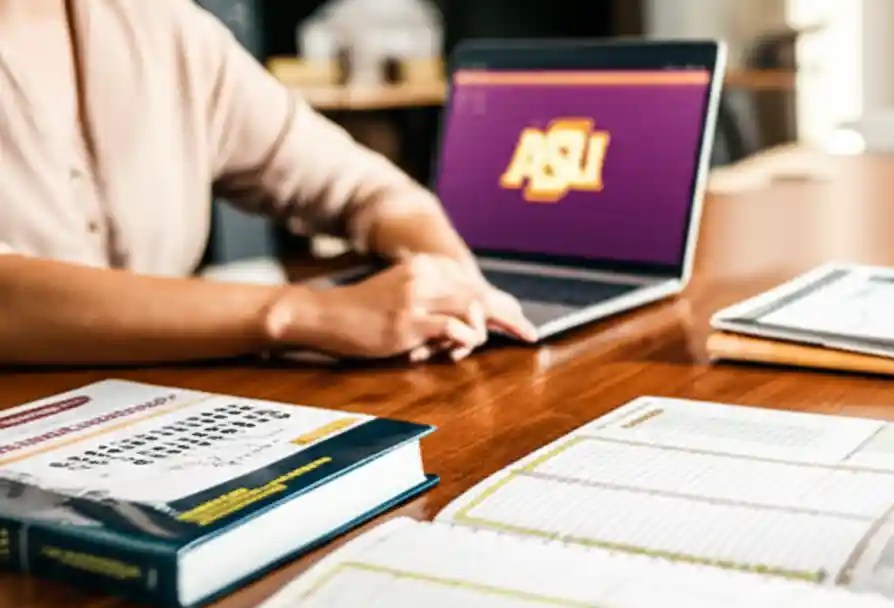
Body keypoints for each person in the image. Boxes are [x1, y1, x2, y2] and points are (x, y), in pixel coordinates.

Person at [0, 0, 536, 366]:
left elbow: (367, 190)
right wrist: (306, 314)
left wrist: (454, 285)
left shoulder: (163, 25)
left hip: (158, 419)